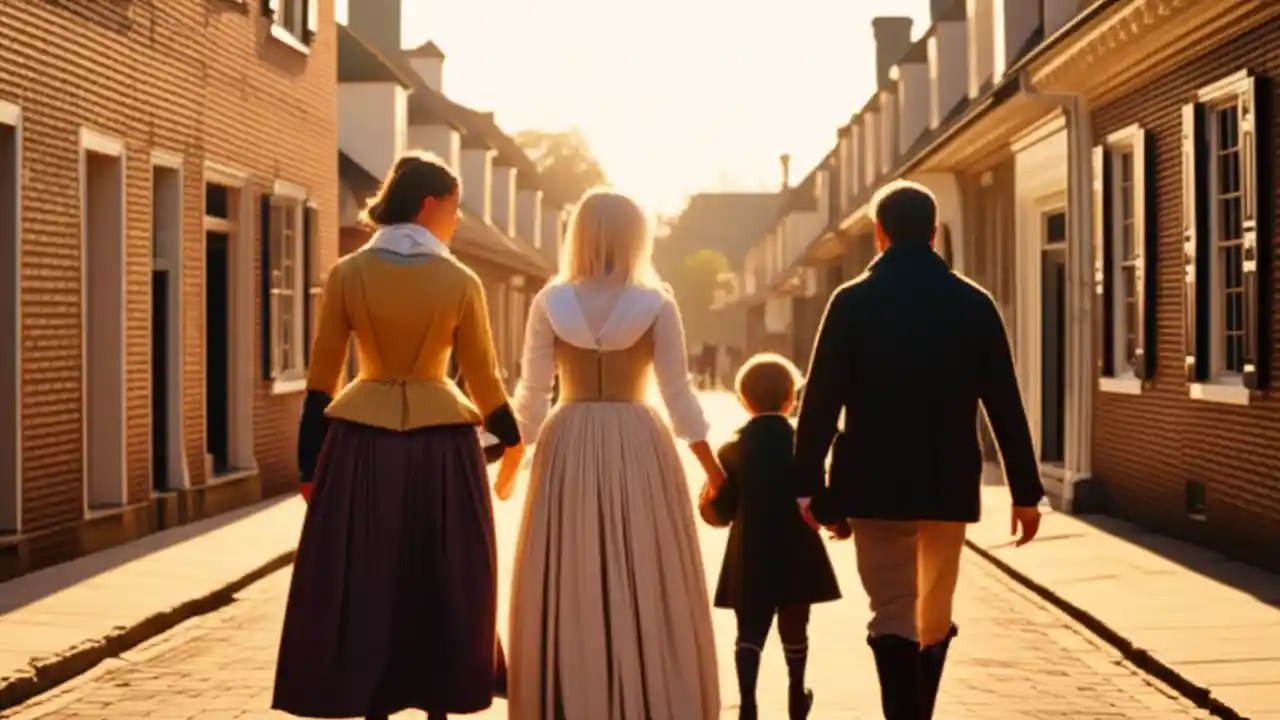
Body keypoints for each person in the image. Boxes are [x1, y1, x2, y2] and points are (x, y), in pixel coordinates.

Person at [273, 152, 524, 720]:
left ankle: (371, 698)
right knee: (445, 570)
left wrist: (308, 465)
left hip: (360, 443)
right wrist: (512, 439)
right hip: (443, 447)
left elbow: (321, 377)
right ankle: (441, 696)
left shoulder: (348, 274)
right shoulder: (460, 281)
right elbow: (484, 378)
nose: (458, 221)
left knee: (366, 572)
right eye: (455, 208)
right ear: (430, 205)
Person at [793, 180, 1044, 720]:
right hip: (947, 483)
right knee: (932, 616)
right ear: (934, 233)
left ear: (879, 234)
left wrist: (807, 485)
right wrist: (1026, 492)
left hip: (874, 485)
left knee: (892, 612)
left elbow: (820, 400)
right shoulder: (973, 303)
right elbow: (1004, 400)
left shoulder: (851, 302)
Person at [507, 190, 721, 719]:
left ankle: (570, 696)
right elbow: (677, 396)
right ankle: (645, 695)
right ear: (636, 236)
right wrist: (714, 472)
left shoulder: (550, 302)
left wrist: (507, 468)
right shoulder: (655, 303)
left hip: (569, 442)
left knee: (569, 569)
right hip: (638, 442)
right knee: (643, 567)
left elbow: (531, 398)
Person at [699, 353, 844, 720]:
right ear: (791, 399)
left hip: (749, 552)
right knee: (795, 625)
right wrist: (838, 523)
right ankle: (797, 694)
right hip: (798, 550)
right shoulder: (803, 446)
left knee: (749, 630)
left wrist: (707, 504)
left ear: (742, 400)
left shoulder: (731, 450)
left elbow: (722, 510)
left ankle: (748, 702)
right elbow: (819, 493)